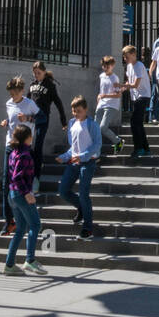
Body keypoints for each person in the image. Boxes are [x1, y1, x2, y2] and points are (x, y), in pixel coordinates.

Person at [2, 124, 48, 275]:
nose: (32, 137)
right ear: (27, 138)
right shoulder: (25, 155)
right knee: (35, 225)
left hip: (12, 195)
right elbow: (17, 177)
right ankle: (30, 260)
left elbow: (11, 177)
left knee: (21, 229)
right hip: (21, 195)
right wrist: (27, 193)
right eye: (31, 135)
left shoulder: (14, 153)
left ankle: (9, 265)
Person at [0, 76, 40, 235]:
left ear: (22, 91)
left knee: (22, 180)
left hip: (25, 147)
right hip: (10, 145)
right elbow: (12, 120)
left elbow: (41, 118)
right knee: (5, 184)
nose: (13, 96)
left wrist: (28, 118)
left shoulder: (29, 104)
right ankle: (9, 221)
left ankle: (25, 215)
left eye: (16, 93)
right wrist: (6, 123)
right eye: (11, 93)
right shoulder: (9, 104)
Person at [57, 96, 100, 239]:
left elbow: (97, 145)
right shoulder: (71, 123)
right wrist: (63, 157)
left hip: (87, 163)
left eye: (79, 111)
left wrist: (82, 156)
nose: (76, 114)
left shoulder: (92, 124)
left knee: (83, 194)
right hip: (73, 163)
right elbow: (72, 147)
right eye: (74, 111)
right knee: (63, 190)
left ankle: (87, 228)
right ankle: (81, 208)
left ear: (85, 110)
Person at [27, 61, 66, 191]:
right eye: (35, 73)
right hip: (30, 120)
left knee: (37, 147)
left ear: (44, 72)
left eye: (39, 73)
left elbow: (58, 103)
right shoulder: (32, 85)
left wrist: (63, 121)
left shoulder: (50, 85)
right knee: (29, 148)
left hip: (43, 120)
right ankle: (35, 168)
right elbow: (26, 101)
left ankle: (36, 179)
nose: (36, 75)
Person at [123, 45, 152, 158]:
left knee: (134, 122)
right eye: (124, 57)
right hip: (135, 97)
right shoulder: (129, 66)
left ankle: (138, 148)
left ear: (134, 55)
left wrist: (122, 85)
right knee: (138, 123)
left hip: (143, 96)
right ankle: (145, 148)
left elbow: (135, 84)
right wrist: (122, 88)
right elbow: (129, 82)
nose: (125, 59)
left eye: (127, 56)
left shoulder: (139, 66)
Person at [94, 54, 124, 158]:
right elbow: (102, 90)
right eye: (104, 66)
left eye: (107, 66)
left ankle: (118, 141)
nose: (105, 68)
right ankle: (95, 153)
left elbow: (118, 94)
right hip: (101, 104)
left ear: (112, 66)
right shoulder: (101, 76)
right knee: (95, 128)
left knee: (102, 127)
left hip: (111, 105)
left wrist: (104, 95)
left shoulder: (114, 78)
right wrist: (99, 96)